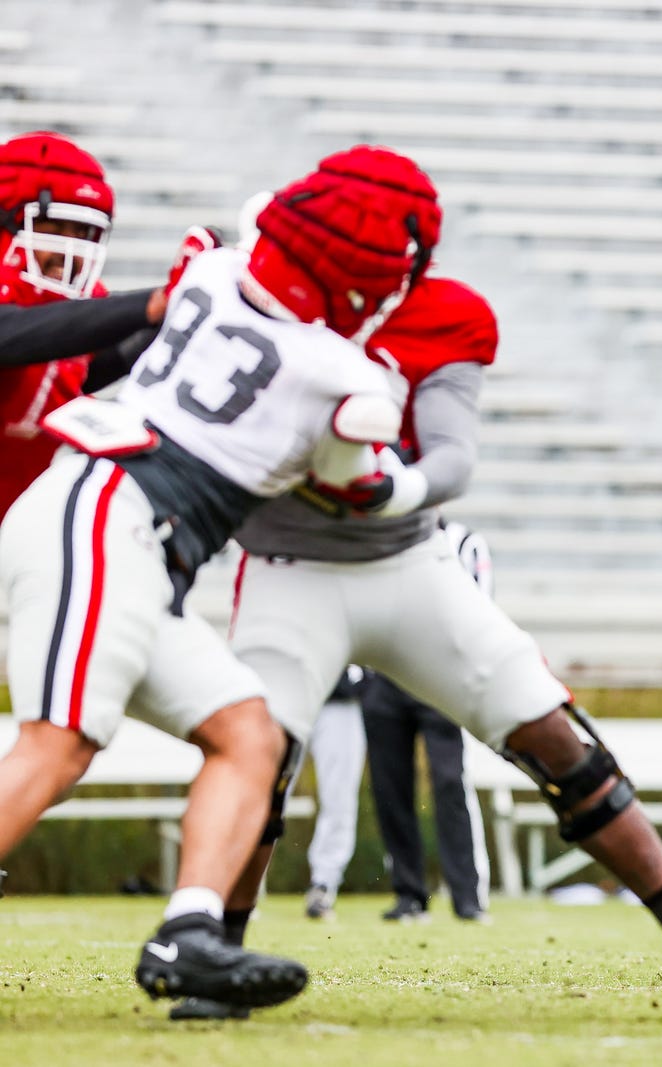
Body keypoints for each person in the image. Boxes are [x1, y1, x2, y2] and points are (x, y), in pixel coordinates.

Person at [170, 230, 662, 1021]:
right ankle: (220, 958)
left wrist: (397, 487)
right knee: (261, 760)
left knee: (558, 735)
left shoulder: (439, 318)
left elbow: (454, 456)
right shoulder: (259, 307)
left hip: (410, 563)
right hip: (292, 571)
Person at [0, 145, 433, 1012]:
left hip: (114, 530)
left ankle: (189, 930)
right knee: (57, 746)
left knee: (249, 732)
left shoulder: (218, 275)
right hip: (105, 514)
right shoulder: (340, 368)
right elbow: (367, 484)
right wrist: (407, 480)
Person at [0, 131, 212, 517]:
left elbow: (80, 365)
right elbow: (13, 336)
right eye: (53, 227)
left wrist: (186, 304)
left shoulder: (73, 306)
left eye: (82, 232)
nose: (70, 248)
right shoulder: (40, 318)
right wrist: (152, 303)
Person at [363, 519, 492, 924]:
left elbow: (479, 606)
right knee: (390, 785)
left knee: (450, 781)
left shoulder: (464, 542)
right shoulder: (377, 536)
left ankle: (467, 895)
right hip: (386, 674)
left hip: (441, 676)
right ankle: (409, 893)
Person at [302, 668, 367, 920]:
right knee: (264, 794)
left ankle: (323, 884)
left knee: (339, 799)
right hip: (285, 691)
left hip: (339, 696)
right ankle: (239, 889)